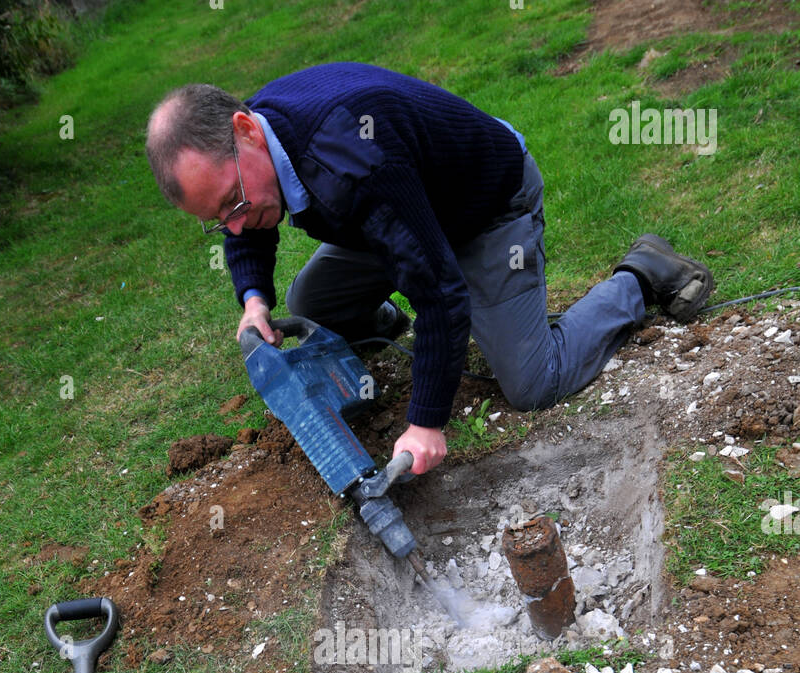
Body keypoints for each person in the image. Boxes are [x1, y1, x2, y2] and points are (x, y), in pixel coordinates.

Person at [146, 62, 713, 475]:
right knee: (313, 305)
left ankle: (639, 275)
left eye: (234, 201)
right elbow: (248, 227)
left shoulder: (350, 156)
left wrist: (425, 421)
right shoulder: (260, 144)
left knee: (533, 380)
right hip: (404, 213)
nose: (236, 225)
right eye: (219, 218)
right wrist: (253, 298)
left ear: (246, 129)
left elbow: (440, 290)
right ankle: (386, 319)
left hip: (485, 209)